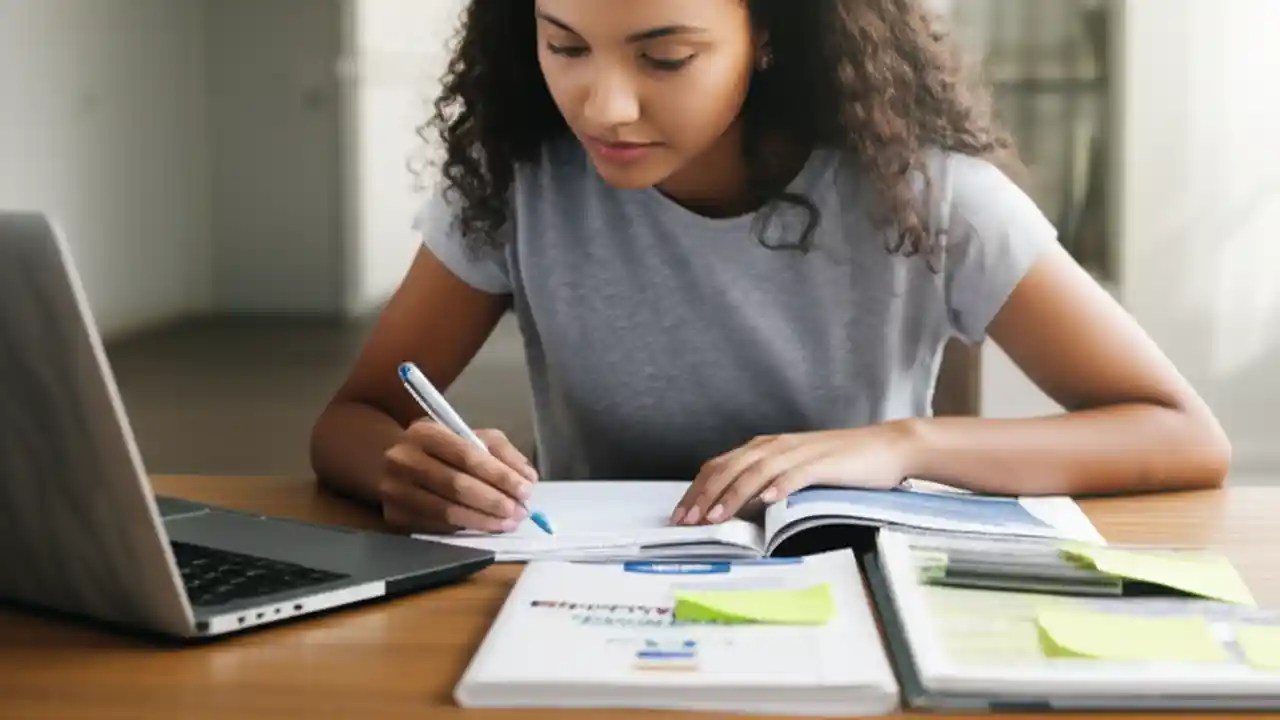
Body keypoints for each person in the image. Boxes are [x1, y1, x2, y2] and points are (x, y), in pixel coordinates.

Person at [310, 0, 1231, 535]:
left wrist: (904, 446)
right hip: (578, 598)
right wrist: (405, 466)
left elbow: (1181, 435)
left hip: (857, 598)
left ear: (770, 33)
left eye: (665, 56)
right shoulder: (521, 186)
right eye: (564, 45)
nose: (606, 104)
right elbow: (354, 417)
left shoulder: (927, 194)